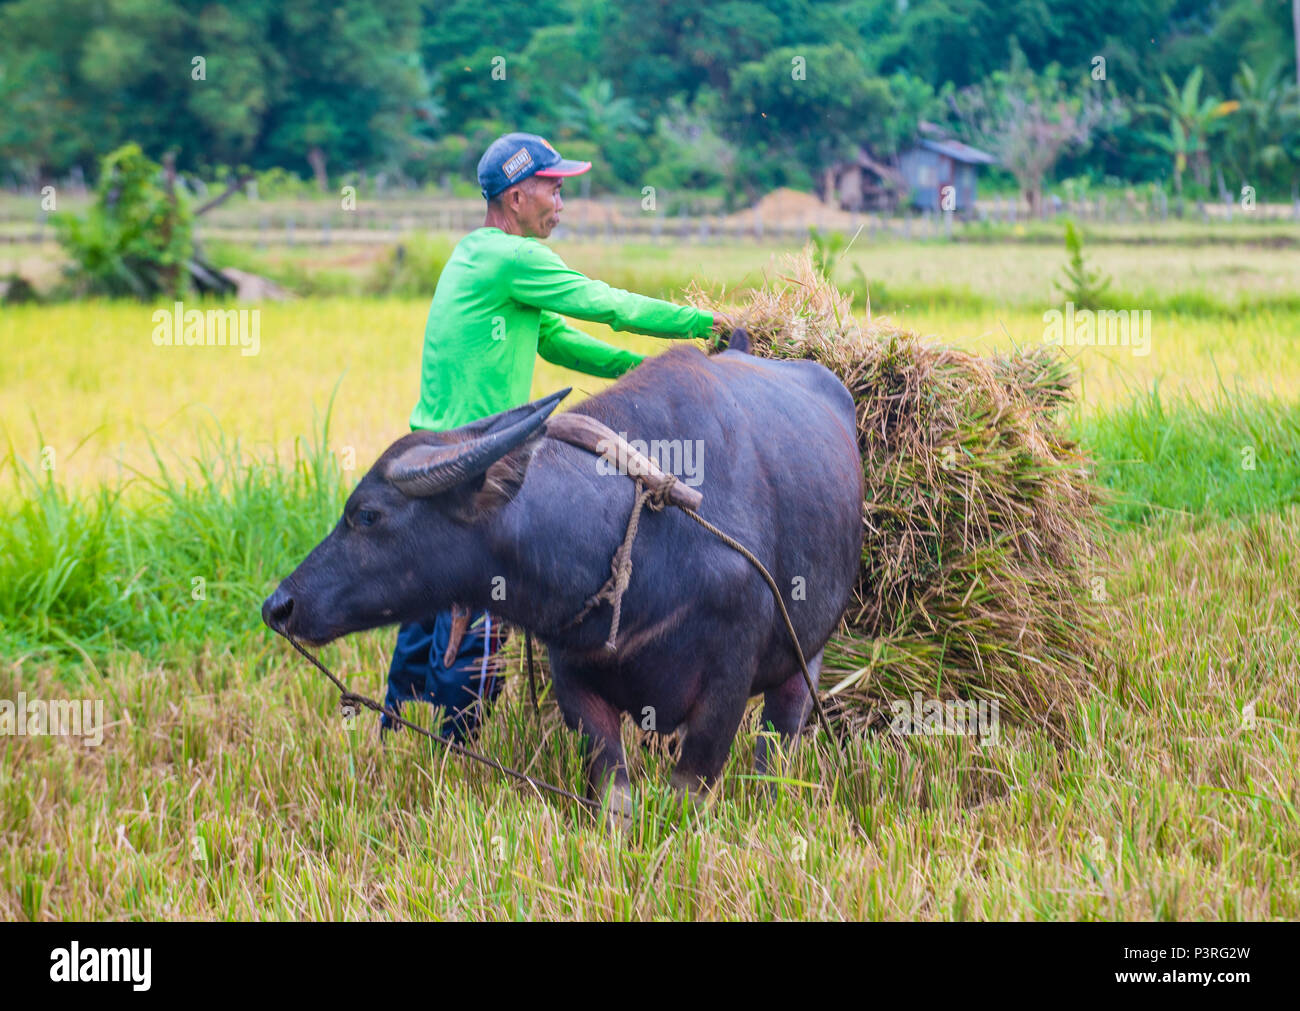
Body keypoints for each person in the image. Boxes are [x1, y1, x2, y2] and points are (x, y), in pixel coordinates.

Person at [382, 132, 729, 743]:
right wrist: (708, 324)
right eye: (554, 187)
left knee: (431, 596)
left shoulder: (478, 255)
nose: (562, 201)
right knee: (481, 605)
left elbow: (560, 341)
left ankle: (398, 728)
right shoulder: (516, 260)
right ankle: (454, 747)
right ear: (517, 197)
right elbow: (607, 304)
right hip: (475, 463)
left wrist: (647, 373)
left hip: (432, 453)